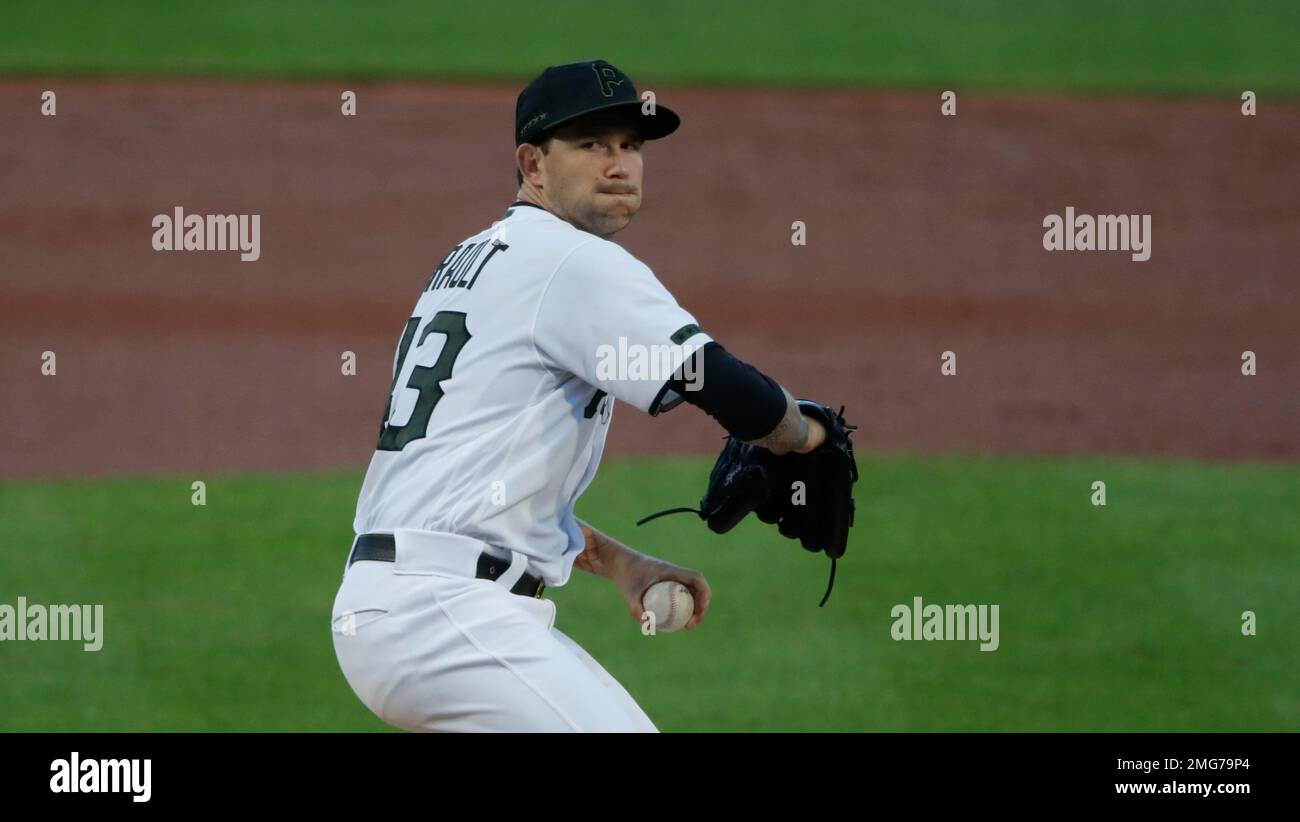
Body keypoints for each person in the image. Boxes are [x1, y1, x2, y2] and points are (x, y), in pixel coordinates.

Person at [330, 59, 828, 732]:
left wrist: (624, 563)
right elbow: (720, 384)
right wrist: (809, 439)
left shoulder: (470, 260)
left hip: (407, 608)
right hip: (440, 616)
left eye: (630, 145)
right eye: (592, 145)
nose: (619, 164)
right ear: (532, 164)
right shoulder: (572, 260)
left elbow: (486, 492)